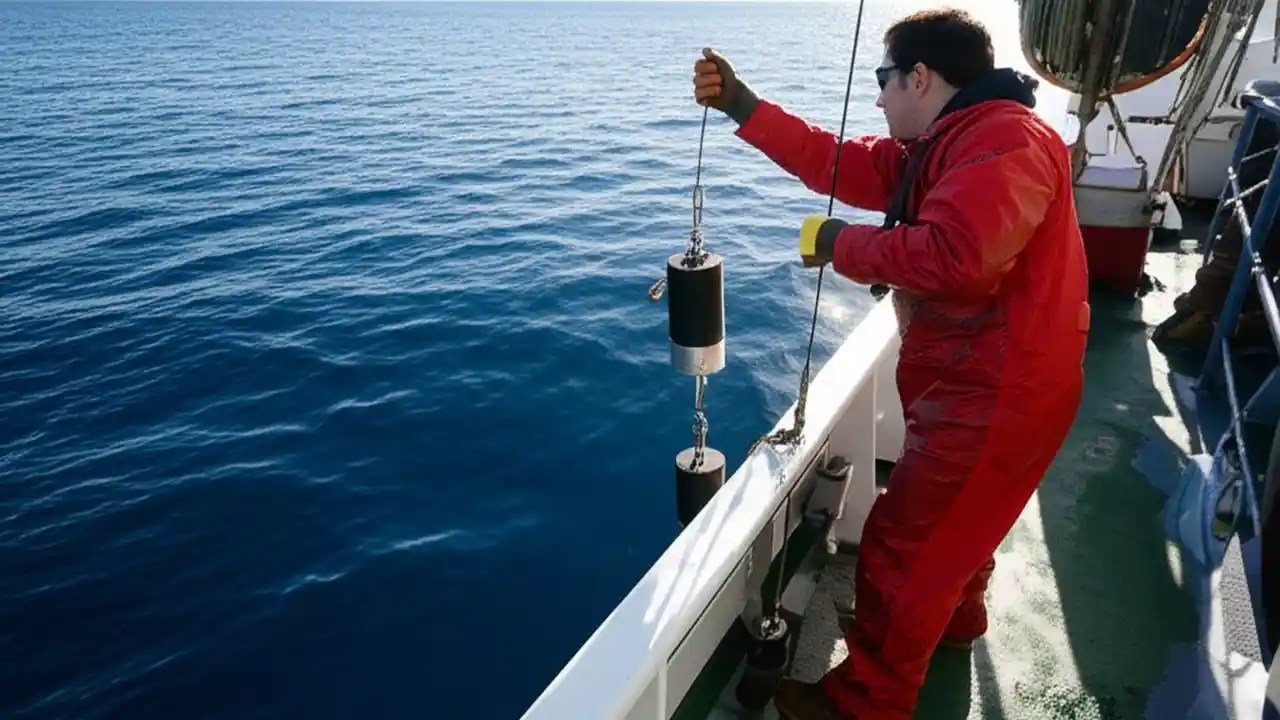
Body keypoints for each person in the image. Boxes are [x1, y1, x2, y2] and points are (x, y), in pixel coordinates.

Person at [693, 8, 1090, 720]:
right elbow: (834, 161)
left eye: (885, 81)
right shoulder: (945, 145)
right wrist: (741, 106)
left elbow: (955, 258)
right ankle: (957, 626)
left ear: (920, 76)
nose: (877, 98)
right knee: (960, 531)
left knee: (904, 548)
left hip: (995, 395)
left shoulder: (1006, 141)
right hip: (986, 385)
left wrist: (840, 243)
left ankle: (866, 704)